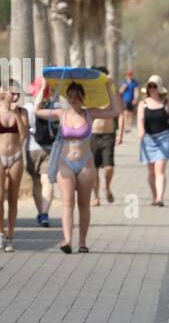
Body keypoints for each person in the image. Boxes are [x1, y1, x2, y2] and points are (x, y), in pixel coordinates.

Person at [33, 79, 116, 253]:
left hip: (86, 162)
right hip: (65, 163)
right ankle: (68, 241)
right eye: (70, 96)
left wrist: (109, 88)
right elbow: (37, 110)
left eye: (77, 97)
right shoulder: (61, 113)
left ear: (83, 98)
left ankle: (83, 242)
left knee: (83, 204)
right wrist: (43, 89)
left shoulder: (89, 114)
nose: (73, 100)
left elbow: (114, 111)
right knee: (67, 202)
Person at [137, 75, 169, 206]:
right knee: (151, 171)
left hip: (164, 138)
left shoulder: (167, 103)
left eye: (154, 86)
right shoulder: (142, 104)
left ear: (159, 88)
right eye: (149, 86)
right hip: (148, 139)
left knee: (159, 170)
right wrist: (140, 131)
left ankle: (160, 198)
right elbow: (140, 120)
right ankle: (154, 195)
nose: (152, 89)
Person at [23, 77, 57, 228]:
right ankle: (44, 213)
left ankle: (41, 213)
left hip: (32, 148)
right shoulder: (55, 106)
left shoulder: (28, 108)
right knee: (47, 181)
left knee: (37, 182)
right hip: (50, 149)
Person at [0, 84, 28, 251]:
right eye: (12, 93)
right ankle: (0, 233)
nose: (15, 97)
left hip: (16, 156)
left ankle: (10, 236)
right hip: (0, 155)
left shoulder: (21, 111)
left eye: (17, 93)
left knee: (13, 198)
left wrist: (16, 114)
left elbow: (24, 134)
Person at [91, 66, 124, 206]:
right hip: (92, 135)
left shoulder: (112, 94)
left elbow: (120, 114)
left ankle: (107, 186)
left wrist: (120, 133)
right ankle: (96, 196)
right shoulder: (91, 94)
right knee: (94, 168)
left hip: (108, 135)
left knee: (108, 167)